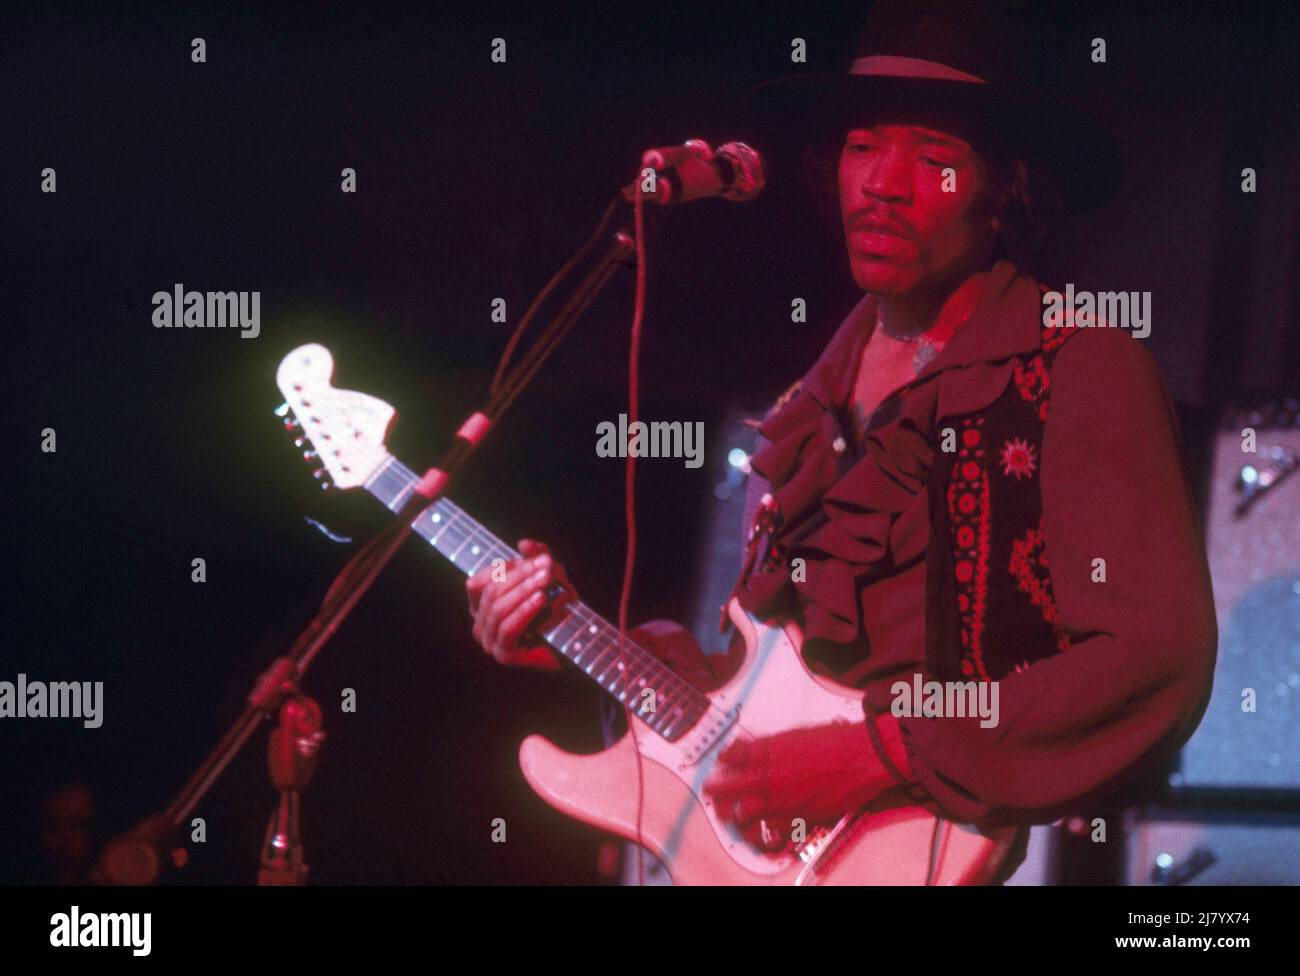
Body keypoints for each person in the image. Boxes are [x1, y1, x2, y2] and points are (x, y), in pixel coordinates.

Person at [464, 0, 1218, 883]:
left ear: (1005, 189)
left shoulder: (1077, 365)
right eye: (863, 147)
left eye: (934, 158)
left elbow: (1150, 658)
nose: (885, 183)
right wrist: (588, 641)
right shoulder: (801, 408)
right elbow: (775, 683)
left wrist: (878, 754)